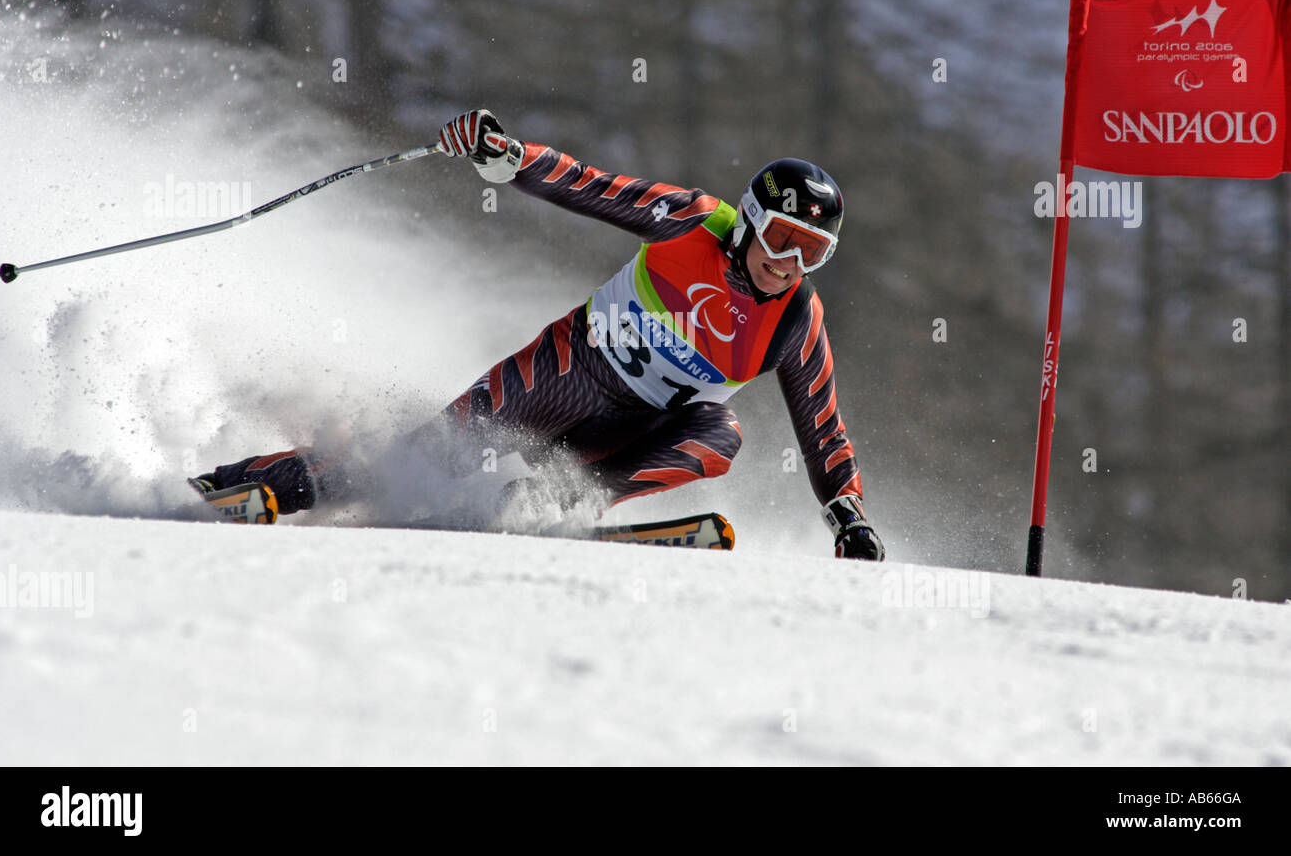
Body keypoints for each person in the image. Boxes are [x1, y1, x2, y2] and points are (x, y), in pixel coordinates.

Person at [191, 110, 884, 560]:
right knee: (417, 463)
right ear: (753, 221)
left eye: (812, 252)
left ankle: (571, 500)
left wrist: (847, 516)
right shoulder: (694, 222)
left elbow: (821, 428)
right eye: (784, 238)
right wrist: (508, 157)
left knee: (723, 432)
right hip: (560, 374)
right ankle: (247, 486)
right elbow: (592, 185)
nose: (788, 263)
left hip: (627, 432)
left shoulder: (796, 320)